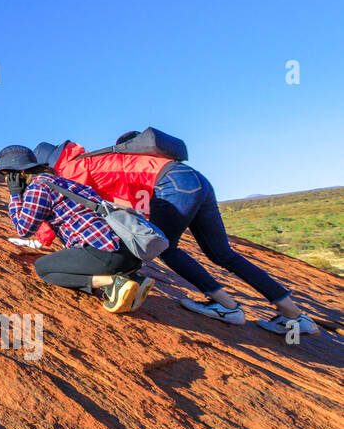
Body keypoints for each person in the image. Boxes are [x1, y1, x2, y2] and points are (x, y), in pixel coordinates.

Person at [31, 138, 318, 334]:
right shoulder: (90, 159)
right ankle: (293, 315)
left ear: (46, 165)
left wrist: (39, 240)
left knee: (163, 248)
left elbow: (70, 205)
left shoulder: (71, 170)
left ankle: (228, 308)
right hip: (191, 178)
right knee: (222, 253)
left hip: (172, 184)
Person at [0, 145, 152, 314]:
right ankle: (134, 278)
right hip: (129, 253)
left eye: (6, 175)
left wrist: (15, 194)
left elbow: (23, 229)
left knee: (43, 268)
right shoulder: (63, 181)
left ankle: (112, 283)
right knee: (73, 256)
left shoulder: (37, 187)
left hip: (104, 253)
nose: (6, 181)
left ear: (19, 174)